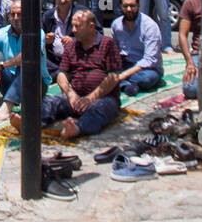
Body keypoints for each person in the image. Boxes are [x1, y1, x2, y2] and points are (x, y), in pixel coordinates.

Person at [11, 10, 121, 140]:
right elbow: (61, 74)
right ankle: (29, 125)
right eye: (73, 26)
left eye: (77, 26)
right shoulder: (71, 46)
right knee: (49, 102)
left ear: (91, 27)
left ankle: (77, 129)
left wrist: (91, 98)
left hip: (103, 97)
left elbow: (112, 78)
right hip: (76, 97)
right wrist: (70, 93)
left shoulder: (108, 44)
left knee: (99, 108)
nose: (73, 30)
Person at [0, 0, 50, 121]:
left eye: (20, 14)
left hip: (35, 85)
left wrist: (1, 65)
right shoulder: (2, 33)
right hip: (10, 82)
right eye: (13, 14)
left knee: (28, 63)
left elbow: (28, 56)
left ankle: (7, 106)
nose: (16, 18)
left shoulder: (37, 33)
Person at [109, 0, 163, 96]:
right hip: (126, 63)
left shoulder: (150, 26)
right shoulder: (116, 25)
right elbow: (115, 51)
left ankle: (121, 83)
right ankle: (126, 85)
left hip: (148, 69)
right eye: (125, 6)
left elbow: (150, 60)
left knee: (146, 79)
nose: (129, 9)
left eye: (132, 6)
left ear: (139, 6)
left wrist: (122, 75)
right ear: (120, 6)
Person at [43, 0, 85, 75]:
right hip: (53, 62)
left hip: (77, 59)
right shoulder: (48, 15)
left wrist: (75, 40)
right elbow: (39, 40)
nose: (62, 1)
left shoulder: (83, 13)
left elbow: (97, 35)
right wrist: (46, 40)